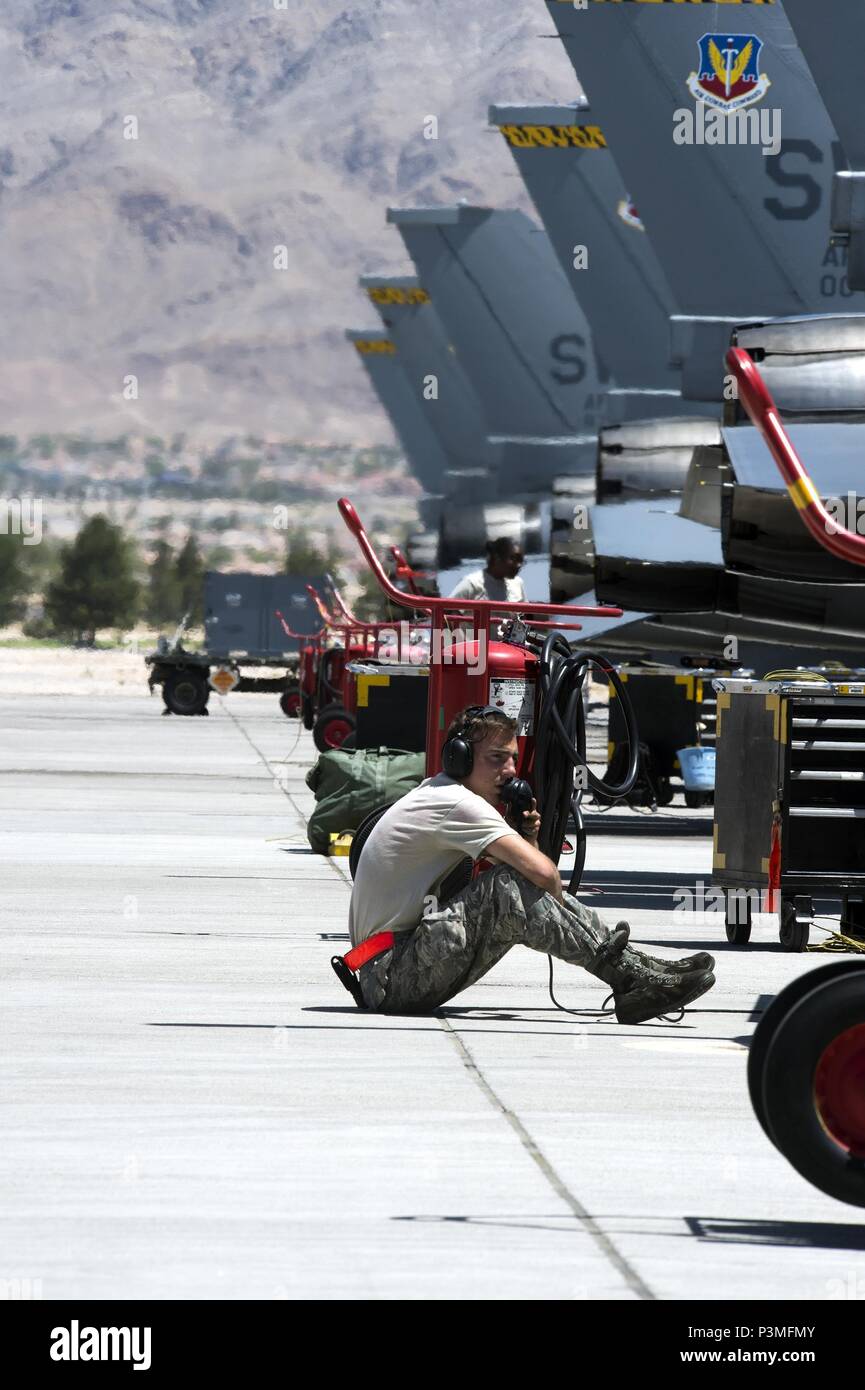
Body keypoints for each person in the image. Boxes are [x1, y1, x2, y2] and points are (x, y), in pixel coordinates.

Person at [346, 705, 716, 1021]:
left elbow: (529, 880)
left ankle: (636, 970)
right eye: (496, 758)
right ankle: (629, 976)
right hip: (391, 976)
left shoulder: (440, 792)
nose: (509, 769)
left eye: (512, 756)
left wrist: (526, 833)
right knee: (507, 887)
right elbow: (542, 876)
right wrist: (536, 865)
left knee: (509, 885)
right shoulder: (458, 803)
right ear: (459, 758)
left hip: (386, 972)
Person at [449, 537, 527, 605]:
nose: (519, 565)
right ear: (497, 558)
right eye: (514, 559)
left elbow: (527, 615)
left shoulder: (518, 583)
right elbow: (446, 610)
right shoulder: (472, 583)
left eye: (521, 561)